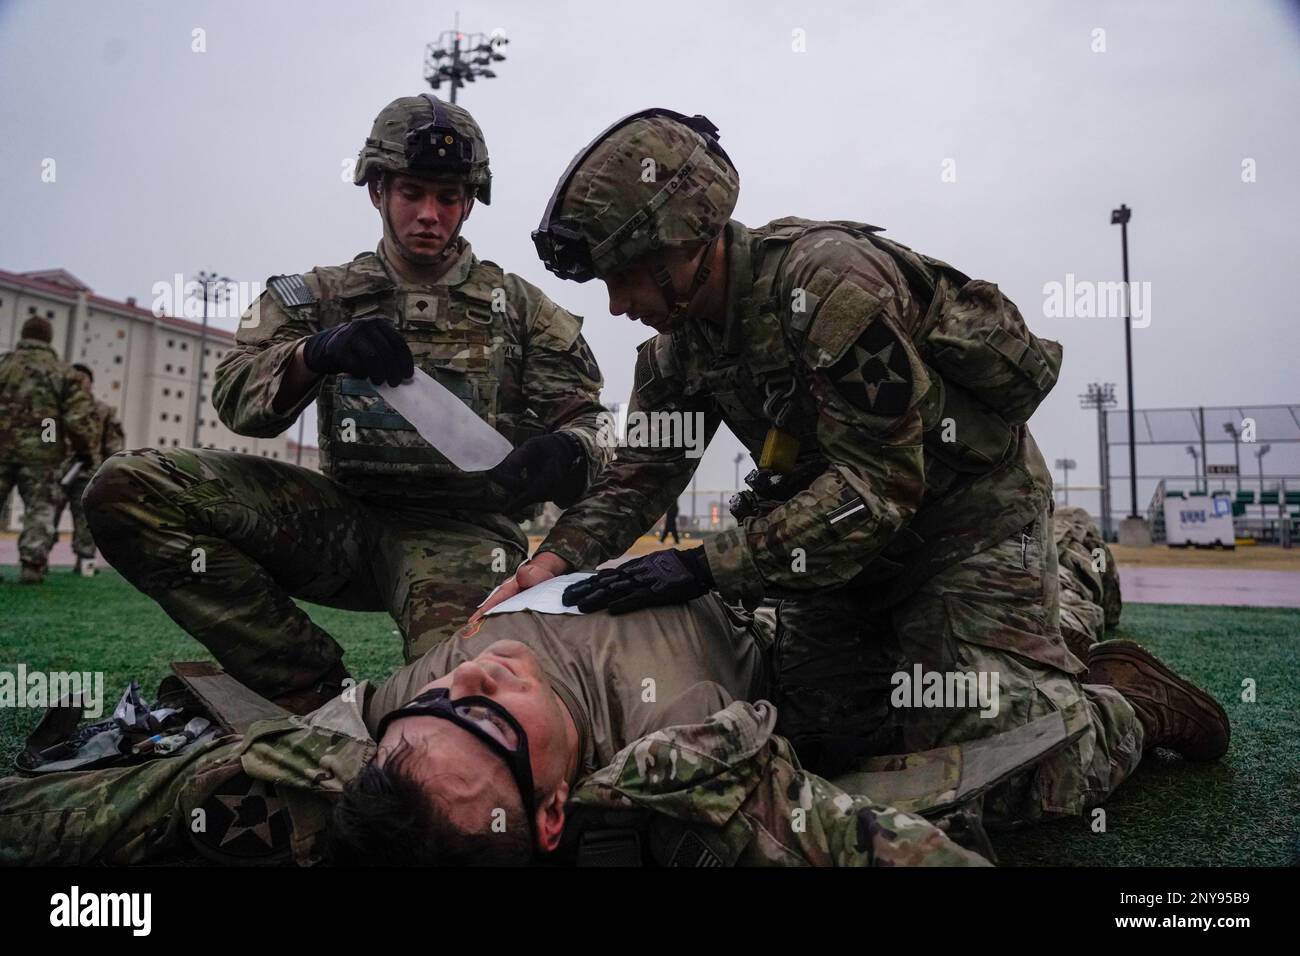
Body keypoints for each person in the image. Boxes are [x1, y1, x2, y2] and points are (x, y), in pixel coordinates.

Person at [480, 109, 1230, 827]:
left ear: (685, 239)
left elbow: (881, 487)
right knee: (822, 748)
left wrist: (706, 567)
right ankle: (1046, 629)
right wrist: (552, 560)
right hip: (838, 563)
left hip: (962, 533)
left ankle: (1117, 694)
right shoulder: (681, 347)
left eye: (628, 275)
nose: (618, 304)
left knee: (1003, 774)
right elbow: (639, 476)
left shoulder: (831, 288)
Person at [82, 94, 610, 713]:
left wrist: (570, 453)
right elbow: (235, 397)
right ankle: (306, 683)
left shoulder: (520, 310)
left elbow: (594, 423)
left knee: (472, 702)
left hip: (464, 538)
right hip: (339, 524)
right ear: (377, 190)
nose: (429, 216)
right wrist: (313, 353)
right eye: (412, 192)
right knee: (127, 487)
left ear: (469, 202)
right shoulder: (319, 297)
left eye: (448, 198)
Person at [0, 587, 988, 867]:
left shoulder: (394, 742)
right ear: (552, 811)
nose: (472, 673)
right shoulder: (685, 727)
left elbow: (40, 814)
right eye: (484, 710)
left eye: (439, 697)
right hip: (766, 605)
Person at [0, 316, 98, 584]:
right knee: (40, 507)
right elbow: (78, 420)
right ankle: (32, 564)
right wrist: (84, 452)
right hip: (42, 451)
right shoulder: (62, 373)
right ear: (49, 339)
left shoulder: (3, 365)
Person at [53, 364, 125, 577]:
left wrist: (110, 472)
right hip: (56, 470)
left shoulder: (102, 410)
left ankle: (85, 563)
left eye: (82, 378)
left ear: (90, 382)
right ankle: (37, 560)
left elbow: (112, 444)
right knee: (46, 514)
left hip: (88, 471)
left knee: (86, 519)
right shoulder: (55, 408)